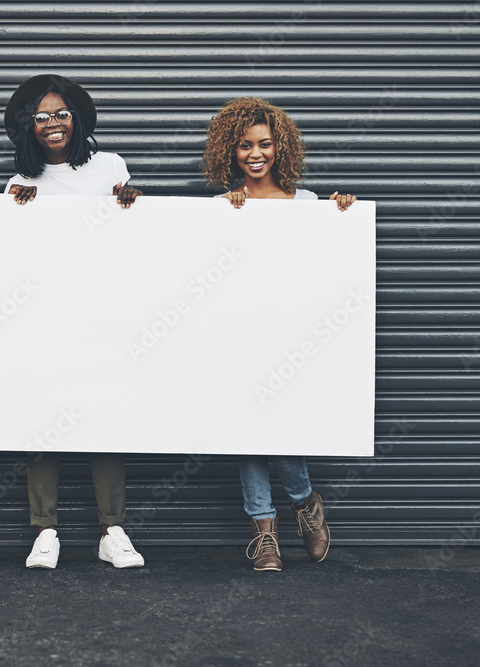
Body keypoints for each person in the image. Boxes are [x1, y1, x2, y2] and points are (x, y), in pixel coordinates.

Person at [201, 96, 357, 572]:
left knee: (282, 428)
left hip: (291, 339)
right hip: (238, 337)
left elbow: (326, 263)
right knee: (246, 435)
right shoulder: (220, 206)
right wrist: (225, 217)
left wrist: (341, 216)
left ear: (279, 147)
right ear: (230, 151)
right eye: (245, 145)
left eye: (264, 144)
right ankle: (264, 534)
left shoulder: (308, 205)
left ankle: (305, 502)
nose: (255, 153)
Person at [3, 74, 144, 569]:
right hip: (42, 319)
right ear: (29, 128)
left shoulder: (109, 167)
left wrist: (131, 206)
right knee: (44, 422)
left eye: (61, 114)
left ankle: (113, 530)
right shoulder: (21, 183)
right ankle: (45, 532)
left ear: (77, 119)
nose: (52, 124)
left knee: (102, 418)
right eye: (40, 117)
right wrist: (17, 214)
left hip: (103, 313)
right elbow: (12, 255)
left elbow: (130, 239)